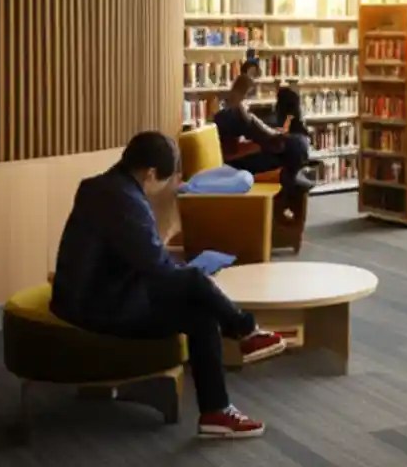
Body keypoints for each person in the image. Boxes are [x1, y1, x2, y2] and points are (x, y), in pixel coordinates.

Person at [50, 132, 286, 438]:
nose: (164, 189)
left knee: (198, 300)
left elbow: (136, 256)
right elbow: (157, 268)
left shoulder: (103, 186)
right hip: (99, 306)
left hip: (99, 291)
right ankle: (244, 334)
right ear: (149, 173)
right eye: (164, 180)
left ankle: (220, 403)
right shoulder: (123, 199)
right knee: (196, 288)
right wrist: (177, 252)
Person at [213, 74, 312, 220]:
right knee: (294, 143)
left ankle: (246, 117)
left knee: (292, 142)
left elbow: (239, 150)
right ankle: (266, 132)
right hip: (264, 160)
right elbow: (234, 152)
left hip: (269, 159)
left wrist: (261, 143)